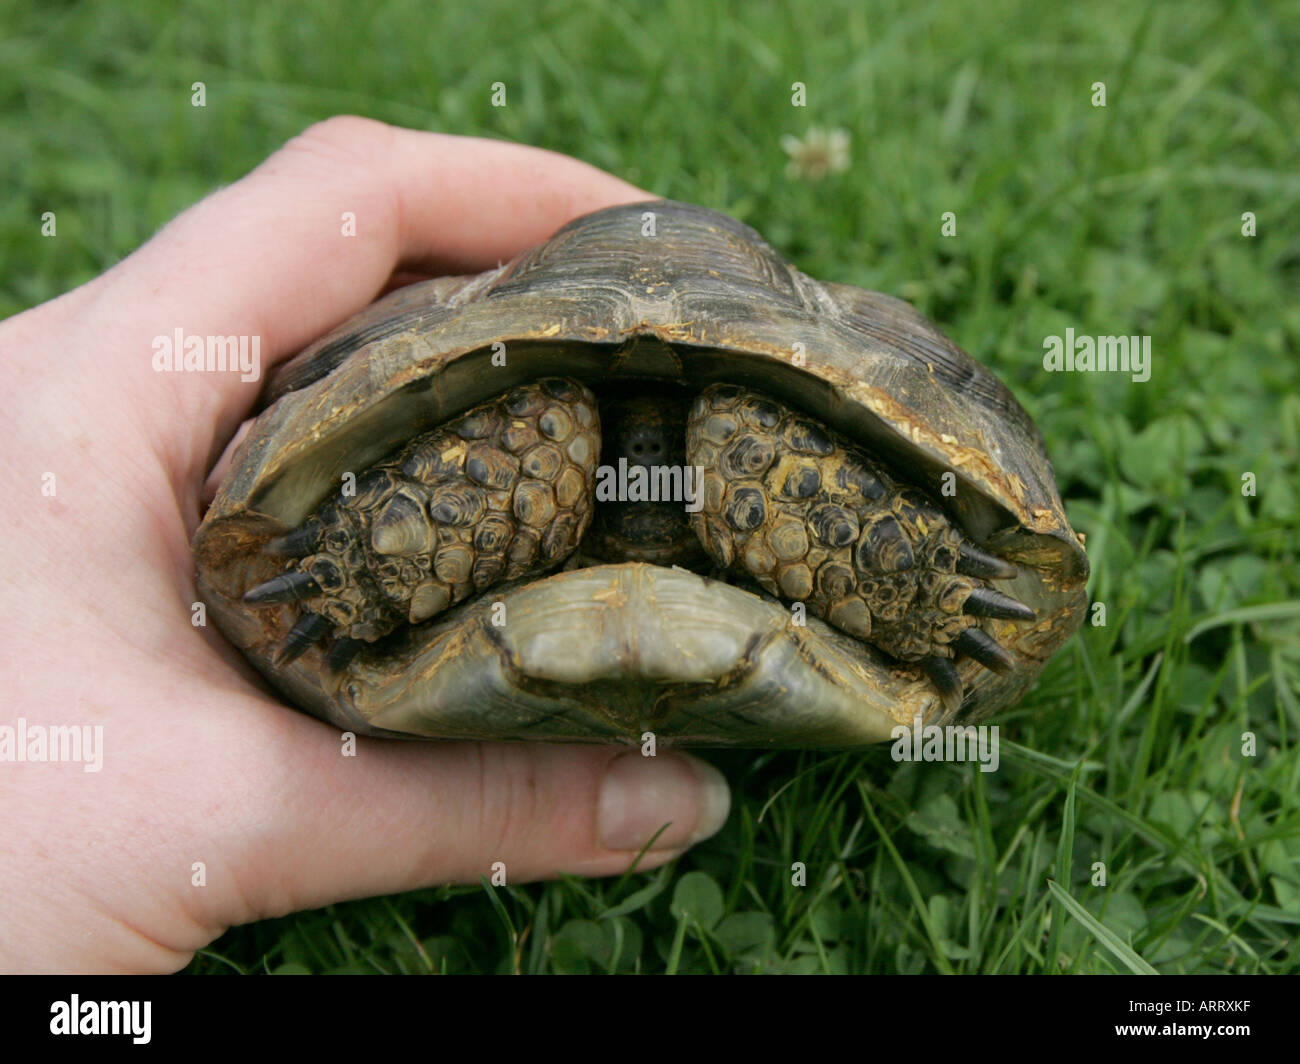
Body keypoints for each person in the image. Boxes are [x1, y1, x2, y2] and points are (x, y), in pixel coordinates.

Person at [0, 116, 731, 974]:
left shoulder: (735, 444)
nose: (642, 462)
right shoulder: (546, 433)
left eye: (667, 443)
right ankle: (354, 565)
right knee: (548, 424)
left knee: (733, 432)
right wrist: (360, 562)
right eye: (621, 441)